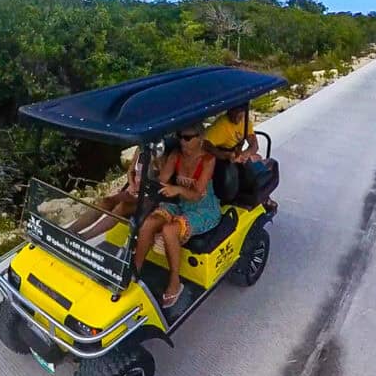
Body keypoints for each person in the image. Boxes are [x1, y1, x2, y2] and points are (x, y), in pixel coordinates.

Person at [135, 124, 220, 309]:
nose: (183, 142)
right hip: (181, 204)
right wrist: (151, 168)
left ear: (200, 138)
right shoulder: (176, 156)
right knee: (149, 223)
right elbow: (163, 180)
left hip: (203, 208)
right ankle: (135, 272)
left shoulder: (207, 160)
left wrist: (177, 189)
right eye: (180, 137)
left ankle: (175, 281)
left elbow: (197, 193)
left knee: (169, 229)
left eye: (188, 138)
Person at [69, 147, 158, 239]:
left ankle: (84, 237)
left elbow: (163, 180)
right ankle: (70, 230)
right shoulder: (140, 149)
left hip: (149, 197)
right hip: (135, 190)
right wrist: (132, 184)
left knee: (122, 207)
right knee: (107, 201)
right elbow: (130, 171)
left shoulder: (160, 152)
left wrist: (154, 160)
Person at [204, 107, 277, 210]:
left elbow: (254, 145)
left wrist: (245, 154)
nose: (239, 117)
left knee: (265, 166)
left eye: (241, 113)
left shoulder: (245, 121)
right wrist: (226, 155)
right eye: (235, 111)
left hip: (238, 156)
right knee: (247, 172)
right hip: (223, 160)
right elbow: (205, 144)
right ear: (229, 110)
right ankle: (240, 199)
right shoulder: (220, 126)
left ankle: (261, 197)